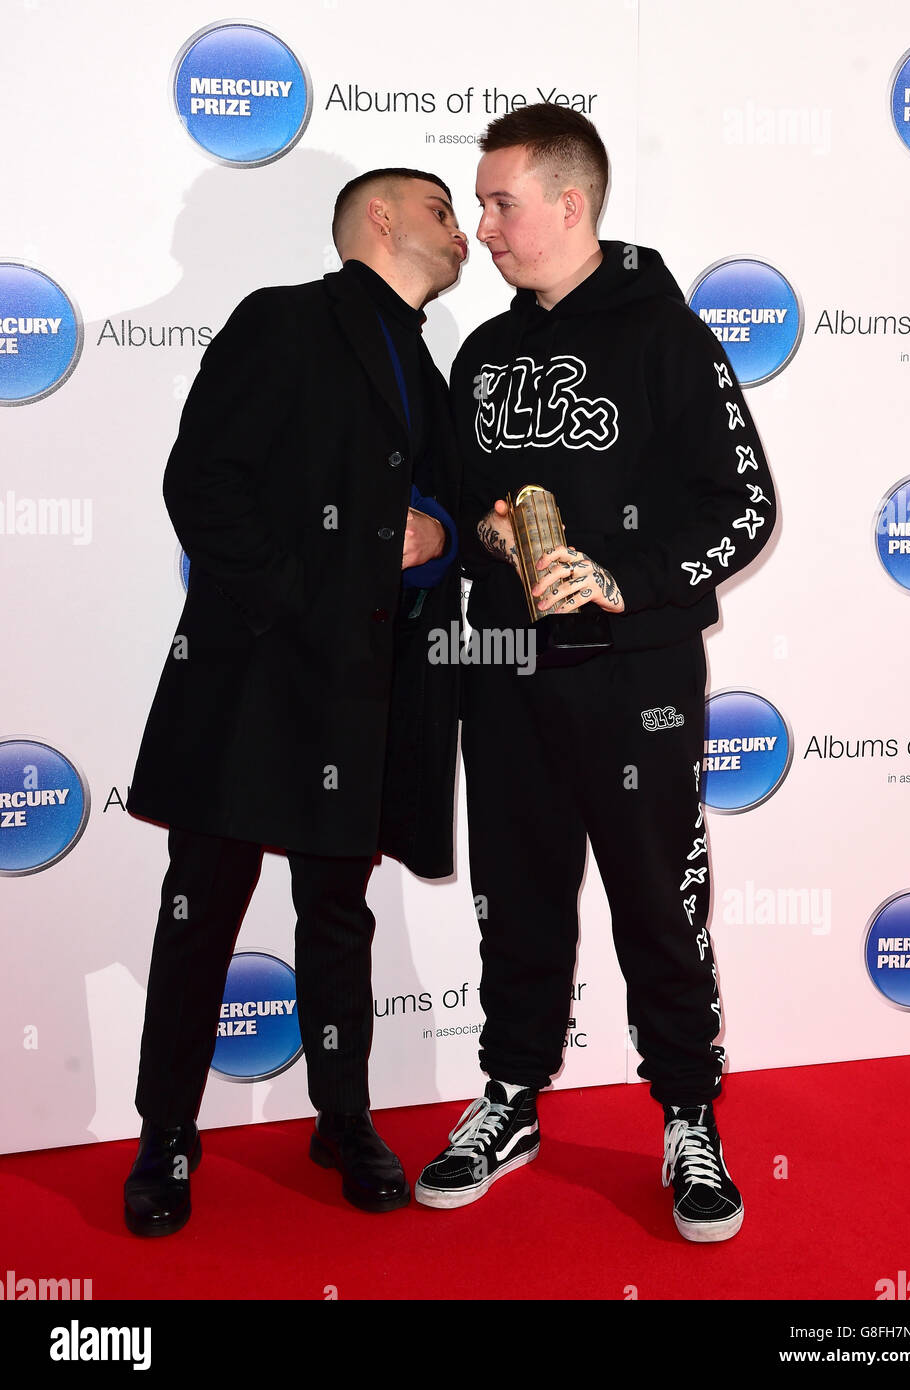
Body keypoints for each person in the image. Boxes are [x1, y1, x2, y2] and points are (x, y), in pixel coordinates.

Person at [414, 106, 776, 1242]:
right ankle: (511, 1099)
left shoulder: (668, 336)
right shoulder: (479, 353)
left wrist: (625, 581)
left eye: (499, 203)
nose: (482, 227)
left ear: (569, 205)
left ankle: (687, 1111)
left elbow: (748, 505)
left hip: (635, 675)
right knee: (513, 899)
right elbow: (464, 502)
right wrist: (483, 532)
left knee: (657, 907)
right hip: (505, 663)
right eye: (476, 203)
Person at [123, 168, 468, 1235]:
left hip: (368, 696)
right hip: (258, 683)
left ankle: (342, 1118)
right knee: (201, 914)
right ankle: (166, 1137)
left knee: (338, 918)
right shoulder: (281, 321)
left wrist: (442, 537)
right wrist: (302, 601)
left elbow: (445, 504)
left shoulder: (427, 362)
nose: (461, 233)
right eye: (442, 210)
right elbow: (201, 485)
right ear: (379, 218)